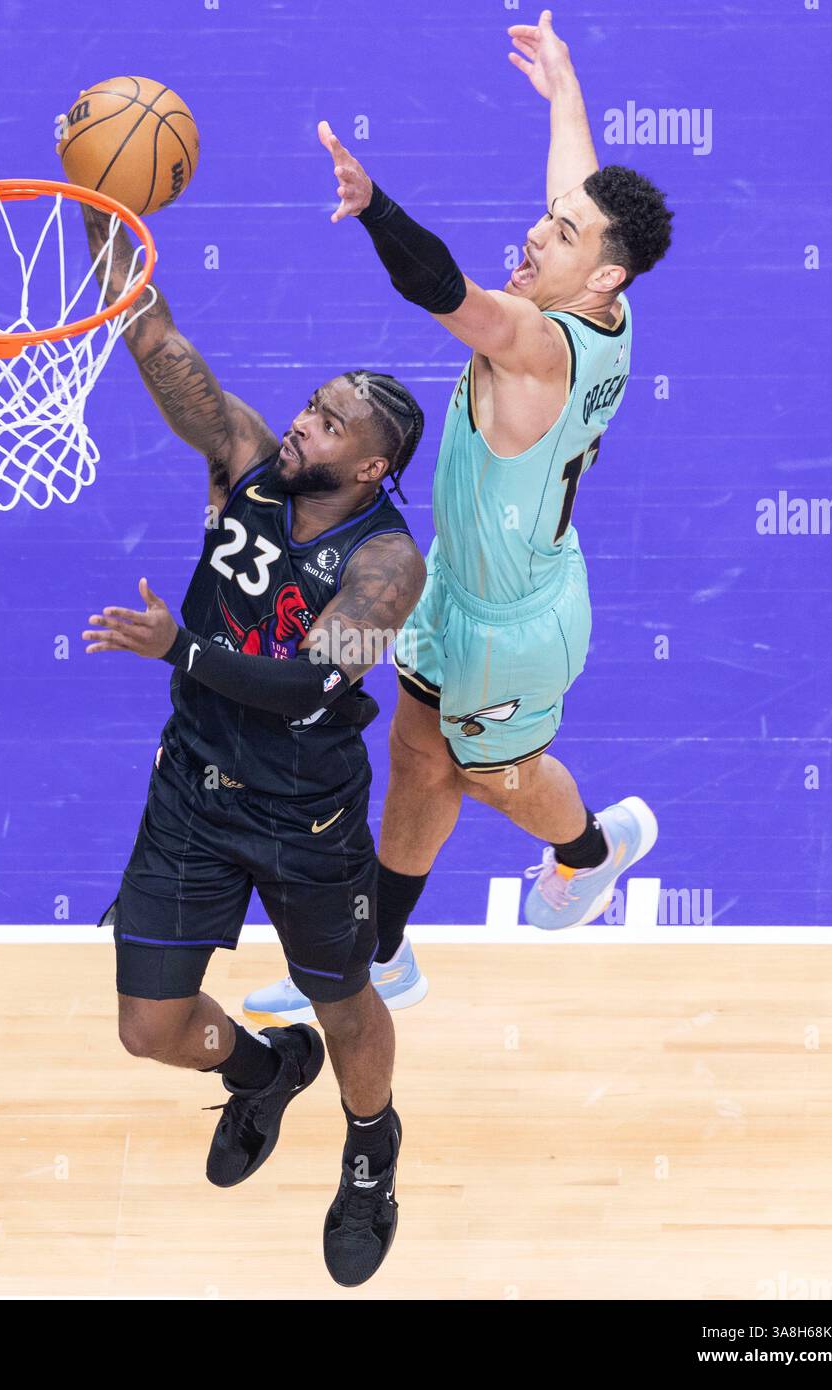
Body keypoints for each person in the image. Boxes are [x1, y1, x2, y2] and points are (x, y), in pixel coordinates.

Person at [245, 10, 674, 1027]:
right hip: (475, 586)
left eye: (560, 237)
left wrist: (374, 202)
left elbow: (439, 287)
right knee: (417, 752)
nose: (538, 234)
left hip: (513, 627)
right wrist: (565, 86)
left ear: (600, 274)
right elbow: (579, 188)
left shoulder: (535, 345)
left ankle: (590, 849)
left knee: (492, 774)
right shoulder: (605, 296)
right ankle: (378, 957)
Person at [77, 200, 428, 1287]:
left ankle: (371, 1149)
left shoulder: (388, 567)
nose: (302, 423)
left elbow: (308, 685)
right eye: (311, 405)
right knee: (148, 1028)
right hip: (194, 787)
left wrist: (179, 652)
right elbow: (155, 338)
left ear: (370, 468)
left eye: (329, 422)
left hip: (306, 814)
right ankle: (267, 1067)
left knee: (348, 998)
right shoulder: (245, 464)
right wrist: (99, 214)